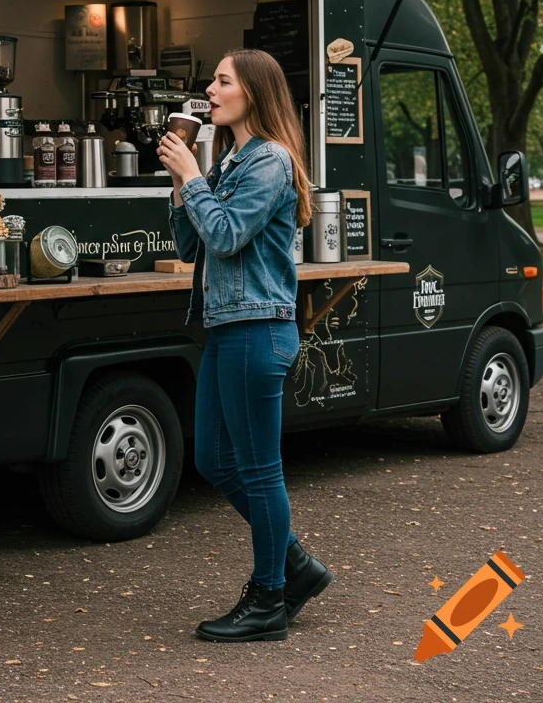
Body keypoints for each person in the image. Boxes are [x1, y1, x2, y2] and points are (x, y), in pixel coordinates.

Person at [157, 48, 333, 644]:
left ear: (252, 93)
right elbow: (192, 246)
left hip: (257, 328)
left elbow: (229, 237)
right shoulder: (232, 159)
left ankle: (269, 600)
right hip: (228, 326)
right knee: (211, 458)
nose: (209, 88)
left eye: (221, 80)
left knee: (259, 472)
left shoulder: (270, 161)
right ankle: (297, 566)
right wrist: (183, 184)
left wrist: (194, 177)